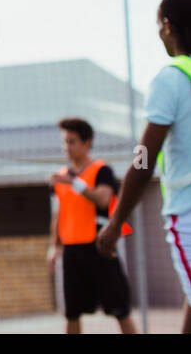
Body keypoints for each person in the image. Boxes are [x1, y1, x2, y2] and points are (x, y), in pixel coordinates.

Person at [98, 0, 191, 334]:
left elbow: (142, 161)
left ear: (167, 26)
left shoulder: (172, 78)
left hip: (187, 213)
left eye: (157, 25)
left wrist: (114, 223)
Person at [46, 116, 136, 333]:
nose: (67, 147)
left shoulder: (101, 170)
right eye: (64, 142)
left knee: (119, 309)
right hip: (72, 252)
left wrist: (76, 184)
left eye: (72, 141)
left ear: (87, 143)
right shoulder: (59, 177)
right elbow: (59, 214)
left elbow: (103, 199)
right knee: (72, 313)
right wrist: (54, 246)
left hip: (99, 248)